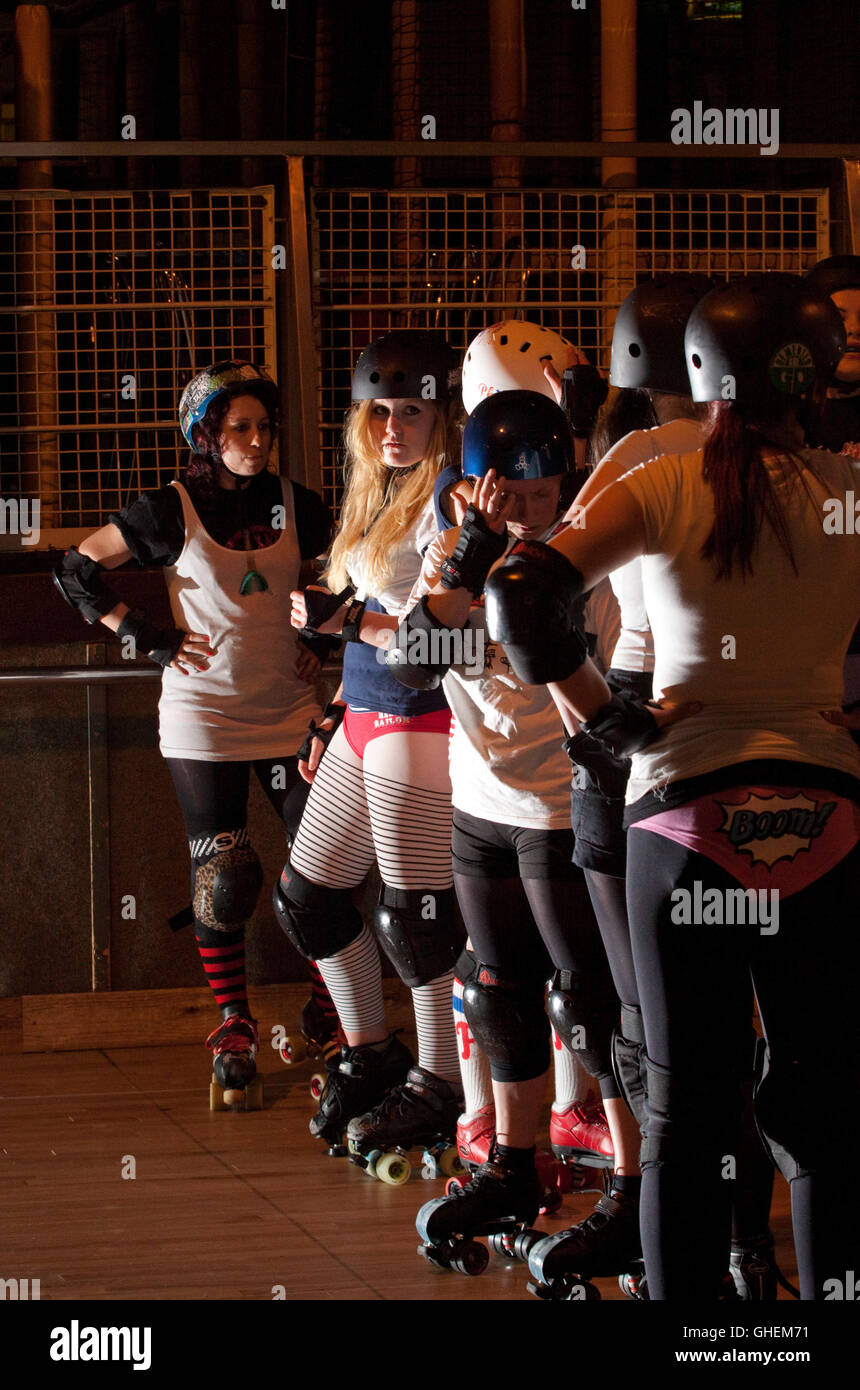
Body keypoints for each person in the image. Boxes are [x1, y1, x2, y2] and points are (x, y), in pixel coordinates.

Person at [484, 275, 859, 1299]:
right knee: (822, 1107)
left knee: (687, 1109)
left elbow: (520, 594)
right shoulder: (847, 488)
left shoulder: (658, 477)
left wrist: (601, 712)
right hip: (823, 810)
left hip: (684, 808)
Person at [382, 390, 642, 1270]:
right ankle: (514, 1166)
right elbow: (418, 667)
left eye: (547, 495)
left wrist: (516, 560)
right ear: (477, 487)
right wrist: (469, 559)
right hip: (480, 804)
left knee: (591, 1003)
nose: (535, 514)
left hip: (565, 807)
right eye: (514, 499)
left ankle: (637, 1187)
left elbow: (591, 677)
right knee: (498, 996)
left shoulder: (589, 547)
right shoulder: (452, 547)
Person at [54, 361, 333, 1105]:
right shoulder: (168, 508)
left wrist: (330, 640)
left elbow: (348, 573)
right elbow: (76, 569)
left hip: (291, 710)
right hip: (204, 716)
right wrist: (144, 634)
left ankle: (327, 1008)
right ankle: (234, 1025)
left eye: (263, 427)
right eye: (238, 428)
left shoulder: (297, 503)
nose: (255, 440)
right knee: (225, 876)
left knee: (324, 872)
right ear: (205, 435)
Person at [275, 330, 468, 1168]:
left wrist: (346, 619)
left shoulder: (454, 496)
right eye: (380, 411)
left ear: (444, 416)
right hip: (362, 710)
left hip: (421, 718)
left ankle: (442, 1082)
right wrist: (333, 707)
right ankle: (370, 1050)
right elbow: (370, 615)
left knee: (417, 920)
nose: (393, 425)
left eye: (412, 410)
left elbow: (454, 635)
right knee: (306, 897)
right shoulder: (381, 488)